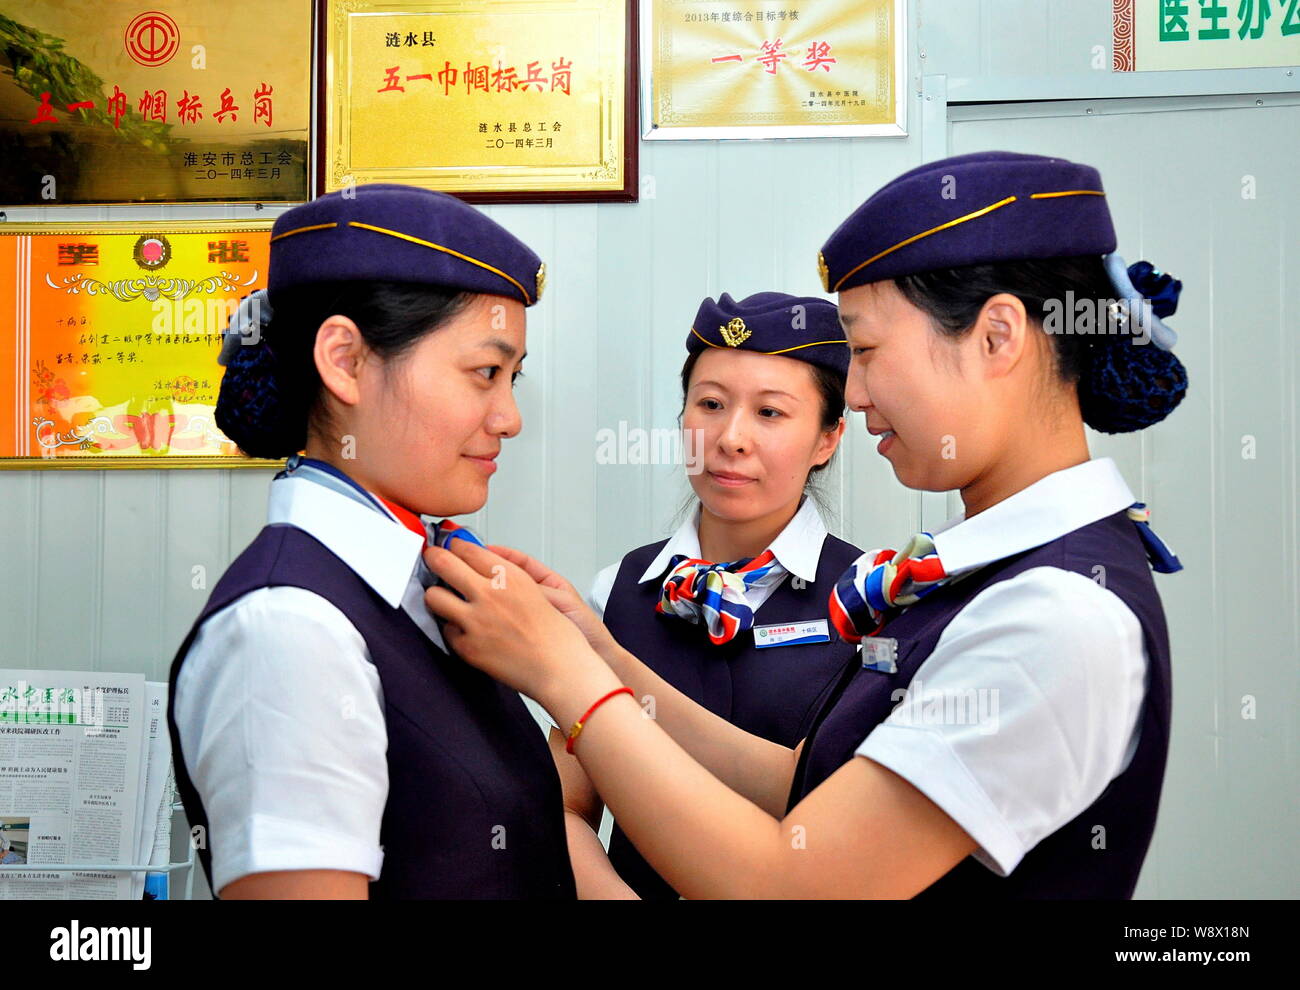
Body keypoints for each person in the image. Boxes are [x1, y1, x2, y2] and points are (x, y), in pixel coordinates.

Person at [424, 151, 1188, 898]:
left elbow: (790, 879)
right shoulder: (987, 578)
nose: (853, 393)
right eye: (710, 403)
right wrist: (595, 650)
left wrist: (563, 676)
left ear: (998, 336)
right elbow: (806, 785)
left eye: (865, 350)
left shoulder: (1056, 614)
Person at [167, 183, 576, 900]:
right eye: (486, 372)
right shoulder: (287, 629)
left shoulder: (428, 588)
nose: (509, 417)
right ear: (345, 361)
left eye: (513, 378)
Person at [553, 292, 864, 899]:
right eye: (711, 404)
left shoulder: (871, 602)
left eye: (770, 413)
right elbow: (565, 807)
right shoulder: (614, 591)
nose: (731, 438)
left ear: (828, 439)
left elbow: (845, 818)